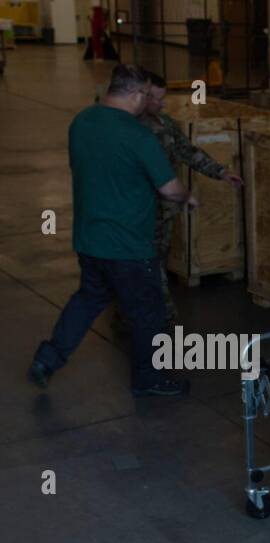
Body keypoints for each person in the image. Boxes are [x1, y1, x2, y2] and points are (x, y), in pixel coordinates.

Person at [28, 64, 198, 397]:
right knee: (148, 312)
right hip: (129, 247)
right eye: (147, 96)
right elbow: (169, 188)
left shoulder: (81, 123)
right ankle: (151, 379)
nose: (148, 103)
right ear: (135, 95)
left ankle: (47, 359)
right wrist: (188, 197)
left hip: (90, 239)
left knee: (87, 300)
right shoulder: (138, 136)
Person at [138, 71, 244, 328]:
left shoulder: (164, 123)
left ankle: (146, 315)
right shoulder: (127, 127)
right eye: (157, 99)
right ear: (142, 96)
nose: (162, 104)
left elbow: (187, 151)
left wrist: (220, 171)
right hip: (137, 210)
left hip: (163, 209)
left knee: (156, 261)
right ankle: (161, 318)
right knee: (146, 264)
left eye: (163, 99)